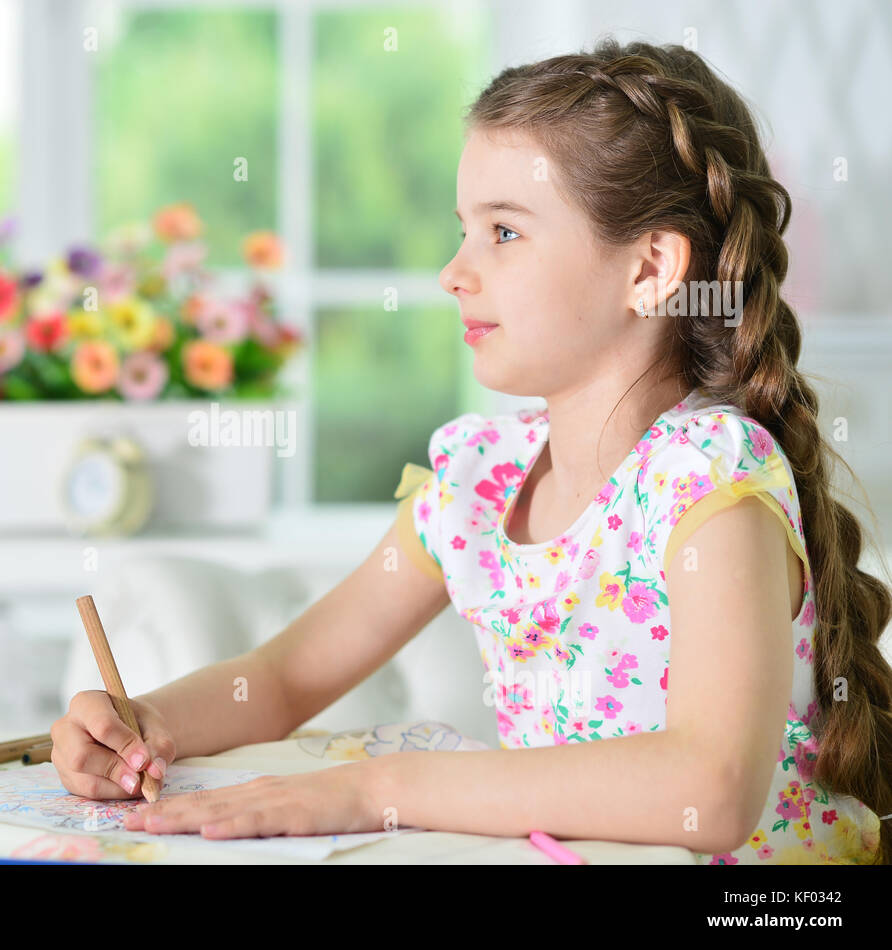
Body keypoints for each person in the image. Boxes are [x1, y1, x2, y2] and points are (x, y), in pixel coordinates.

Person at [51, 37, 892, 864]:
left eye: (505, 233)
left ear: (650, 269)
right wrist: (145, 721)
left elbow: (706, 788)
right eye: (463, 230)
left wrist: (379, 788)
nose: (453, 272)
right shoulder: (474, 481)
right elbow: (282, 678)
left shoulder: (712, 481)